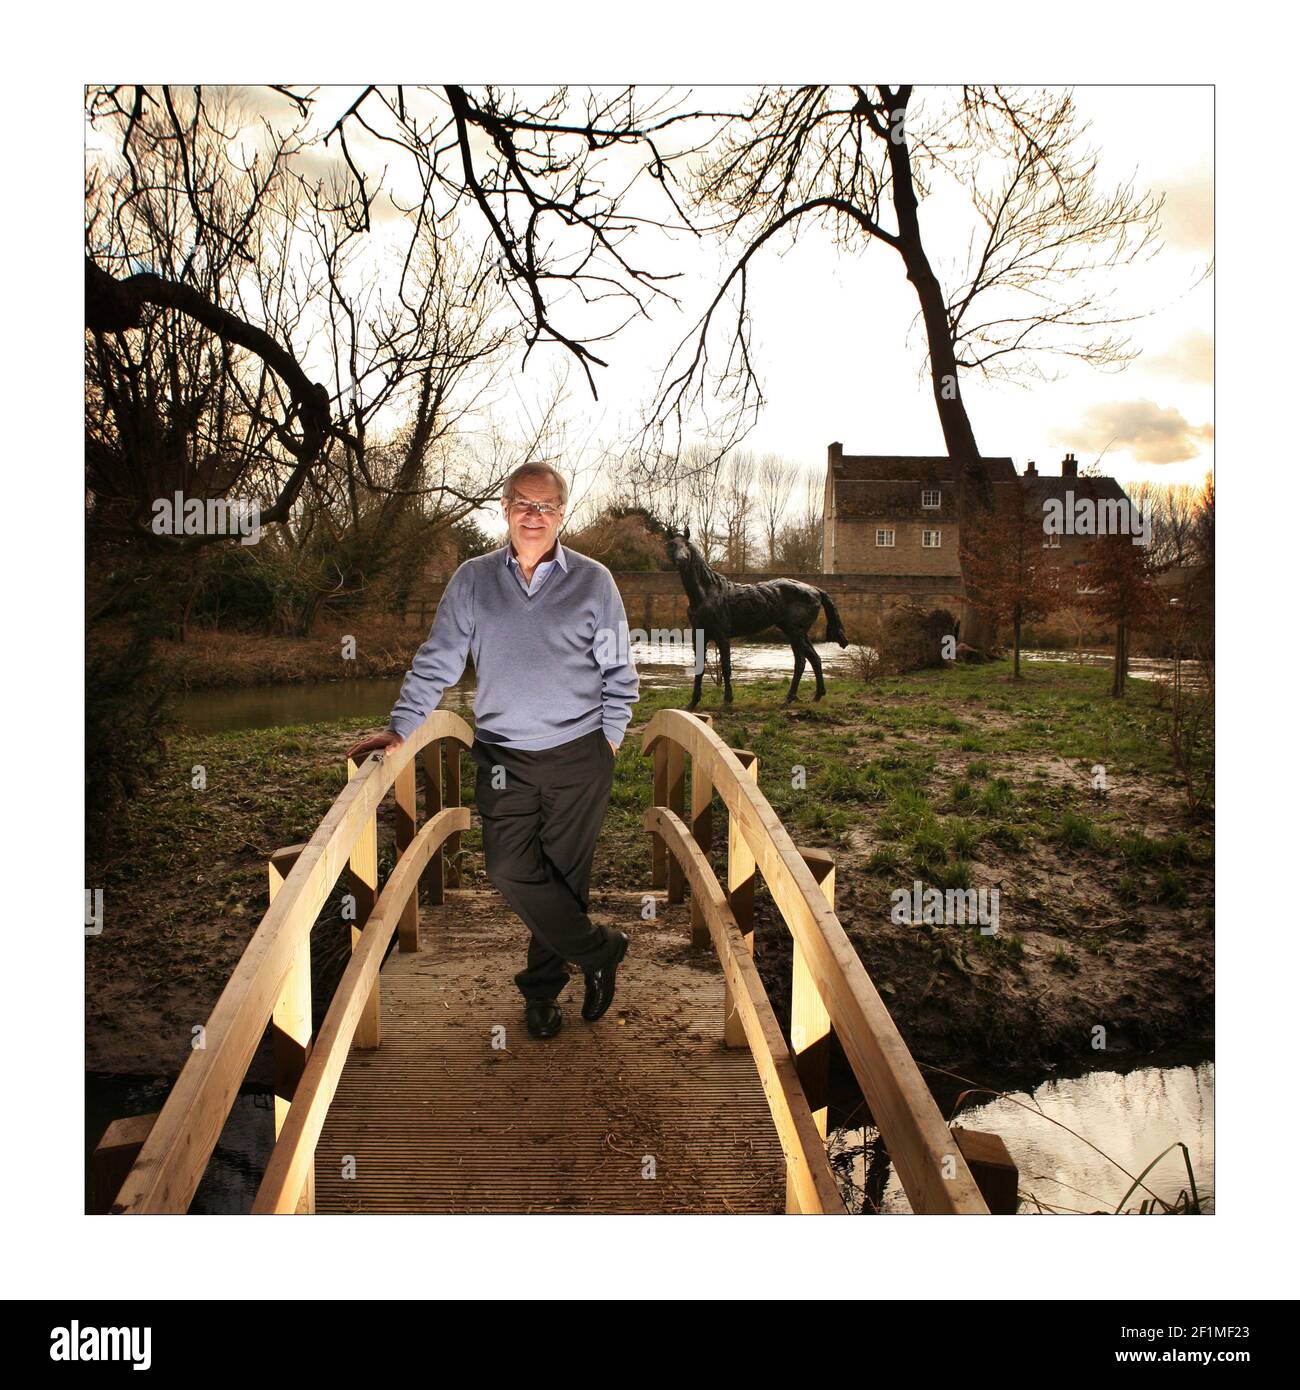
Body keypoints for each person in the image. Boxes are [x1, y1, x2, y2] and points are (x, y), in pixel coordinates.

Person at [347, 463, 639, 1039]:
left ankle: (541, 995)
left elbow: (619, 671)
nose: (535, 515)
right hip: (504, 756)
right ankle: (600, 949)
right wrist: (401, 726)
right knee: (509, 870)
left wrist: (607, 741)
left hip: (579, 753)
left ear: (563, 512)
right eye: (524, 503)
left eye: (547, 505)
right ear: (504, 508)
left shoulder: (594, 581)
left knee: (564, 878)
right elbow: (438, 661)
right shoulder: (473, 579)